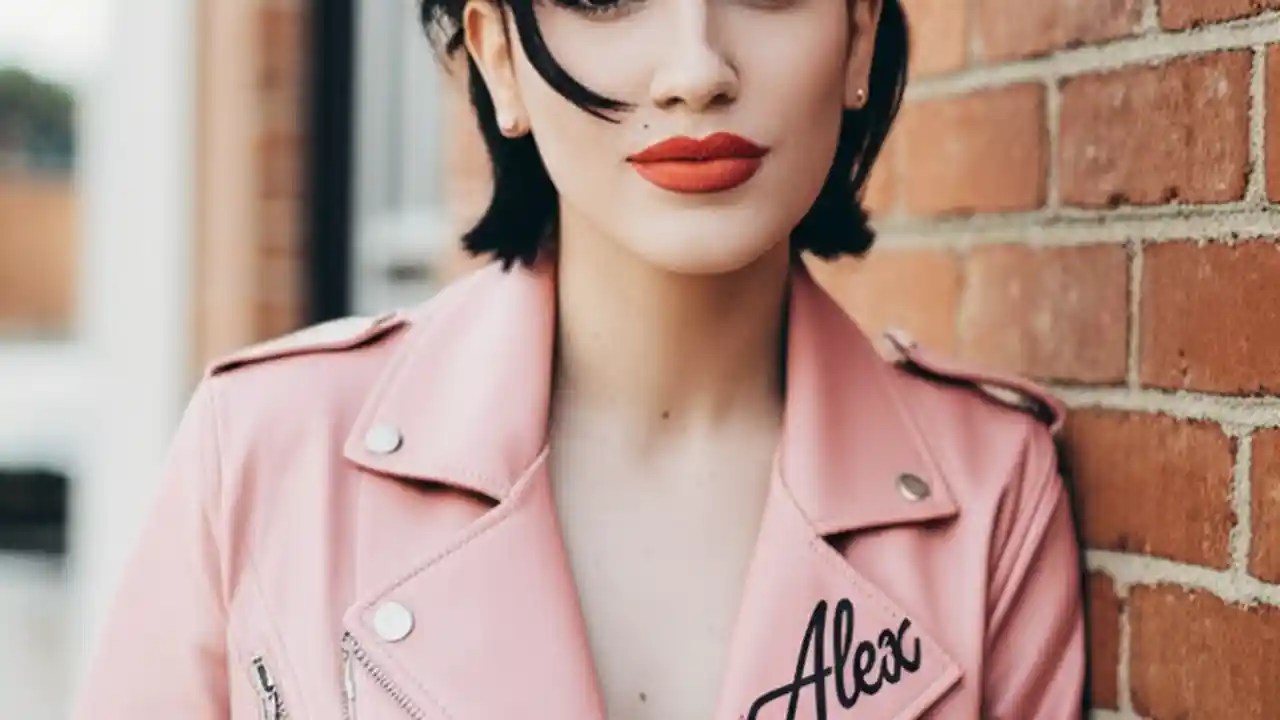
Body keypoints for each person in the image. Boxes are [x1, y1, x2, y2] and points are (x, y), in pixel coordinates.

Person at [72, 0, 1086, 716]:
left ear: (859, 31)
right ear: (497, 56)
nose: (695, 68)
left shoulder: (988, 486)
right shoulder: (270, 446)